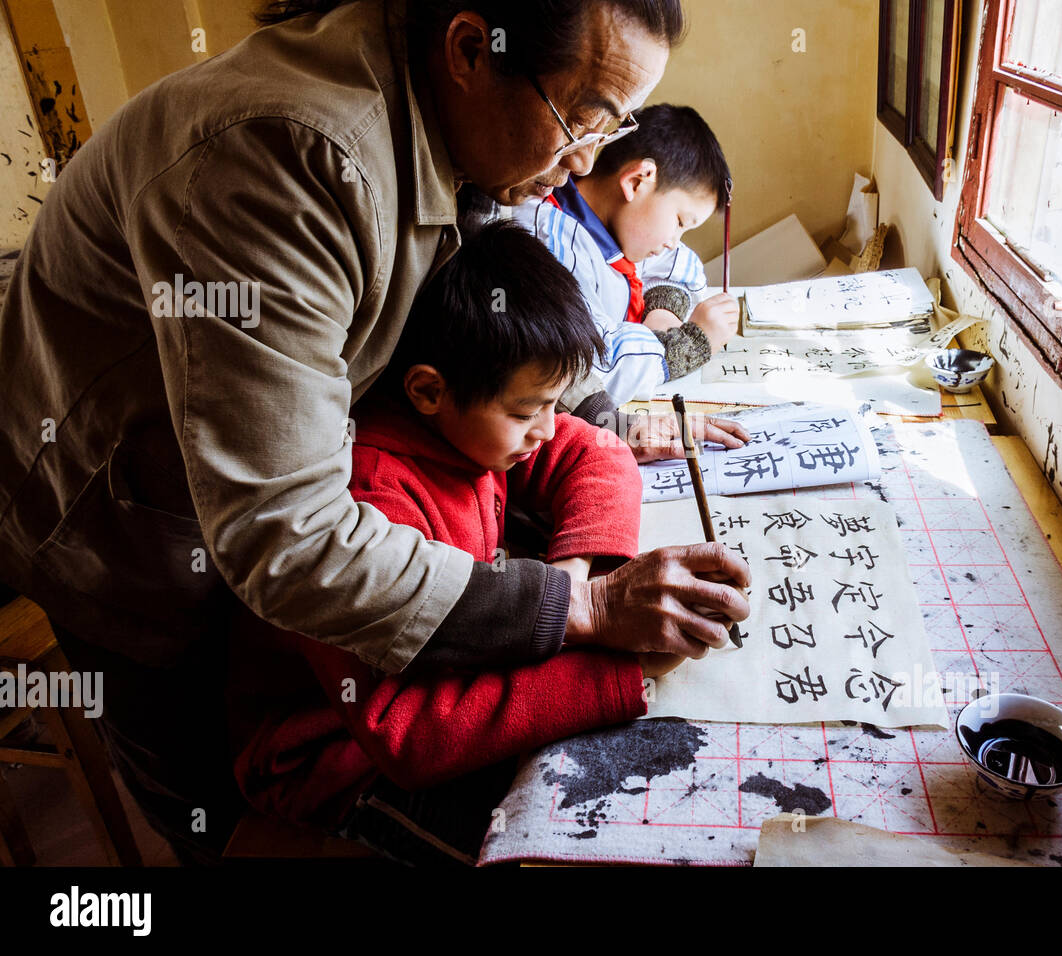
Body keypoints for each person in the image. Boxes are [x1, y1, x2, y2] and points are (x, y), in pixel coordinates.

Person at [0, 0, 748, 863]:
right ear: (472, 47)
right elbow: (290, 537)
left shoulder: (468, 128)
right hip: (116, 518)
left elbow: (498, 331)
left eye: (610, 125)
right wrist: (580, 603)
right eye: (580, 119)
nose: (587, 159)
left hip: (258, 515)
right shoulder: (288, 155)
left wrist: (597, 420)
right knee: (216, 810)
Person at [230, 221, 689, 864]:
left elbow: (599, 452)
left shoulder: (472, 424)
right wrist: (616, 661)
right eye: (530, 410)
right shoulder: (367, 503)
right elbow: (409, 737)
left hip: (458, 683)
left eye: (555, 404)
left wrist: (575, 590)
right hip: (342, 760)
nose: (547, 429)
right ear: (427, 390)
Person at [512, 103, 740, 404]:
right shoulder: (550, 242)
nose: (674, 241)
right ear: (636, 181)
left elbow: (679, 264)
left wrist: (662, 312)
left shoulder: (616, 223)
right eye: (680, 222)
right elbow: (596, 365)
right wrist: (691, 343)